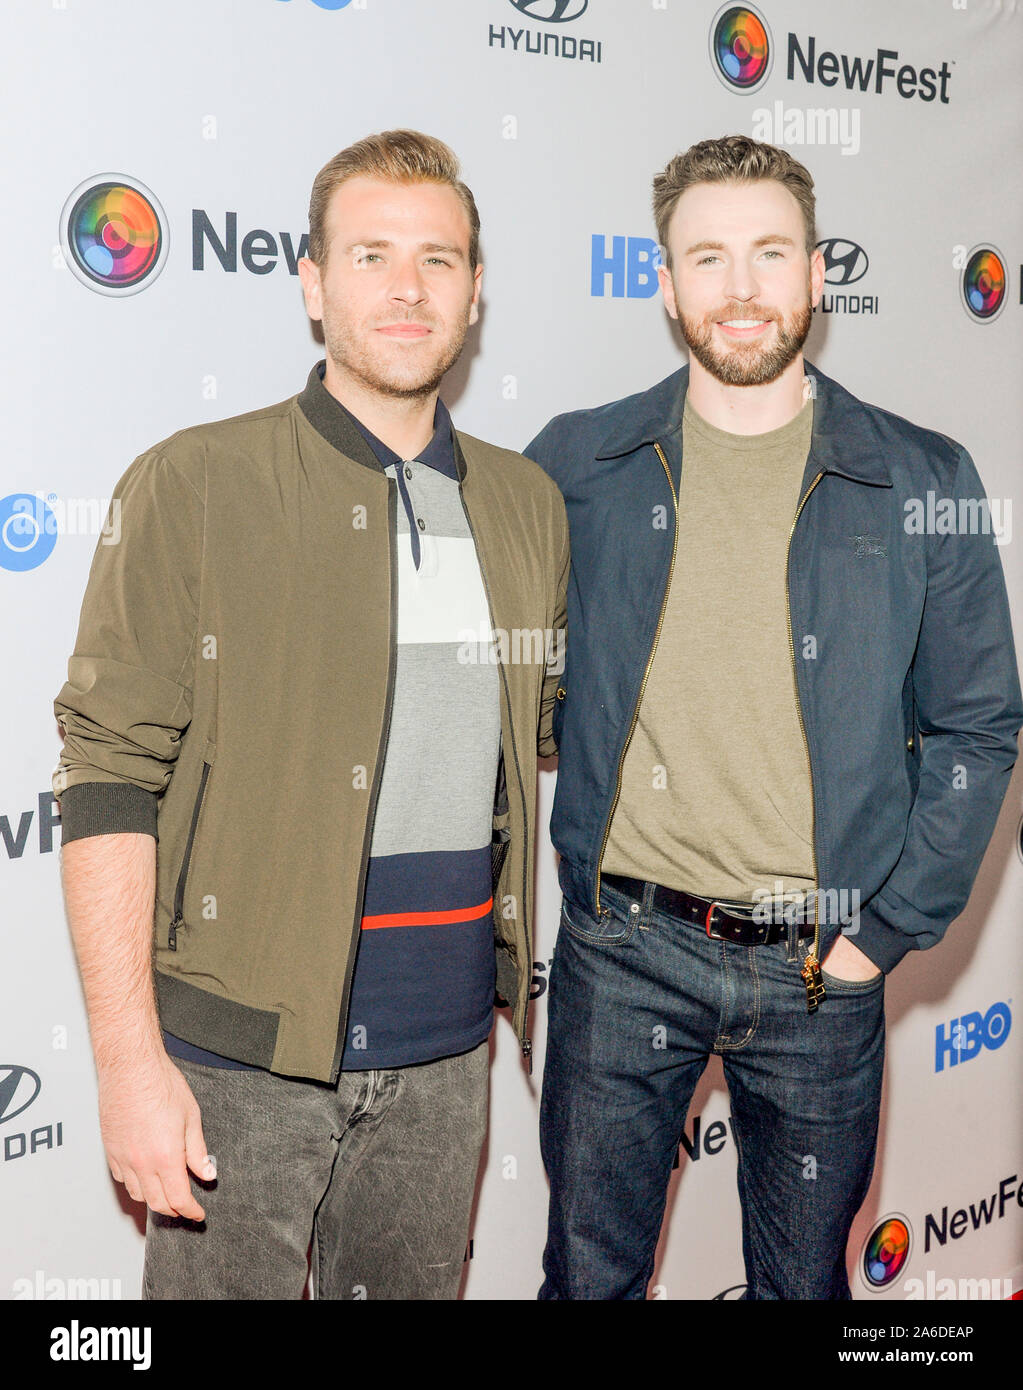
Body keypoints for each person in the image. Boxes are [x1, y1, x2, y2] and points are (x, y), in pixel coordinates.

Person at [53, 129, 568, 1300]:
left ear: (476, 293)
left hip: (447, 1057)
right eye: (372, 253)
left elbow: (546, 734)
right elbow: (107, 779)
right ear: (310, 281)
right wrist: (130, 1062)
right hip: (238, 1061)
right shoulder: (193, 483)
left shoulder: (527, 503)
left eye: (439, 259)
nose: (406, 287)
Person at [525, 134, 1021, 1300]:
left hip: (820, 971)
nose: (741, 289)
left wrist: (880, 936)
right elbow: (512, 681)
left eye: (769, 254)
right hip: (620, 955)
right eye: (708, 257)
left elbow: (978, 727)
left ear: (815, 276)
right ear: (664, 283)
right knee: (584, 1284)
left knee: (806, 1294)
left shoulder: (922, 479)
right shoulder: (577, 463)